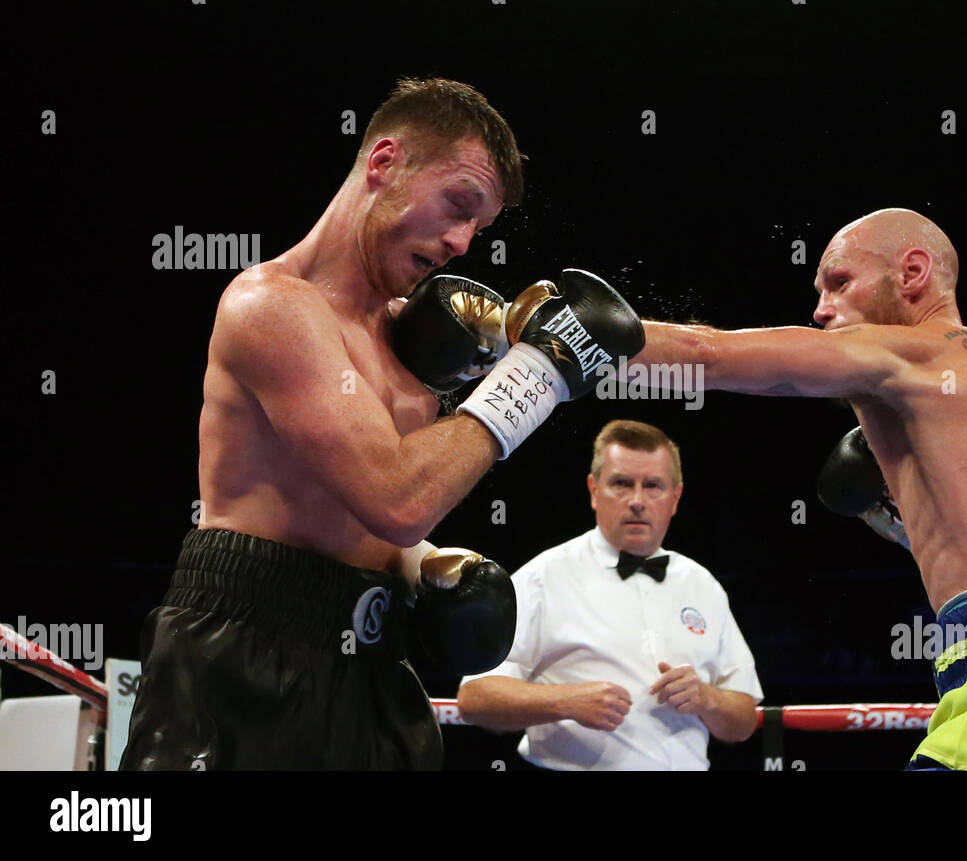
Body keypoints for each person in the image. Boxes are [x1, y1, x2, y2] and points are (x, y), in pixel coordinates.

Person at [121, 78, 643, 770]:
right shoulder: (270, 305)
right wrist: (536, 374)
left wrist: (423, 563)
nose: (462, 242)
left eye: (479, 228)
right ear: (384, 162)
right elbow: (398, 498)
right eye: (458, 205)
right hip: (241, 651)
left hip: (370, 658)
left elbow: (377, 523)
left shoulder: (409, 338)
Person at [632, 208, 967, 771]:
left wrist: (590, 335)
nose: (821, 309)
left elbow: (709, 354)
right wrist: (905, 528)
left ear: (913, 272)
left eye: (840, 283)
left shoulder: (913, 355)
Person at [457, 420, 762, 770]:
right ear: (593, 489)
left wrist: (707, 699)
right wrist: (565, 701)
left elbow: (743, 722)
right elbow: (475, 697)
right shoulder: (544, 576)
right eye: (621, 484)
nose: (637, 501)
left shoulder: (702, 584)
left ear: (675, 498)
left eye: (653, 486)